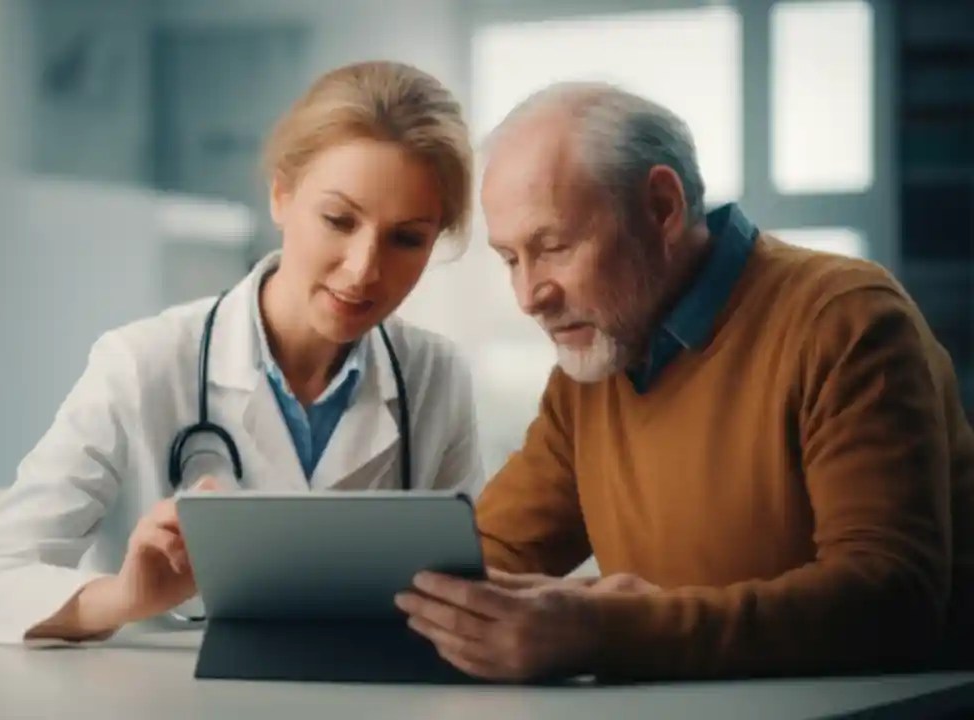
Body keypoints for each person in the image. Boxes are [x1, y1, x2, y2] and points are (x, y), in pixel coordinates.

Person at [395, 81, 974, 681]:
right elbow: (478, 561)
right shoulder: (592, 368)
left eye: (555, 246)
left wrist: (602, 631)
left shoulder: (844, 319)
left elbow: (892, 600)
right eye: (511, 258)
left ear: (663, 209)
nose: (528, 296)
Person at [0, 61, 483, 645]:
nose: (364, 268)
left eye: (407, 238)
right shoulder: (141, 364)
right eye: (337, 219)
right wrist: (121, 598)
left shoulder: (434, 376)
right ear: (281, 194)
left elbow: (473, 594)